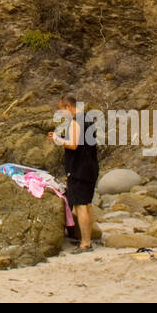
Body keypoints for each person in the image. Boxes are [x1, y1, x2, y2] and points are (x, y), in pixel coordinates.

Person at [49, 94, 98, 252]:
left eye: (61, 110)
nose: (61, 114)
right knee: (87, 204)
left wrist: (58, 139)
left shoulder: (76, 121)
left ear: (68, 107)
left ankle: (85, 243)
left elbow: (73, 145)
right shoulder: (88, 119)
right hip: (90, 166)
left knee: (80, 205)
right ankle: (88, 239)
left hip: (79, 169)